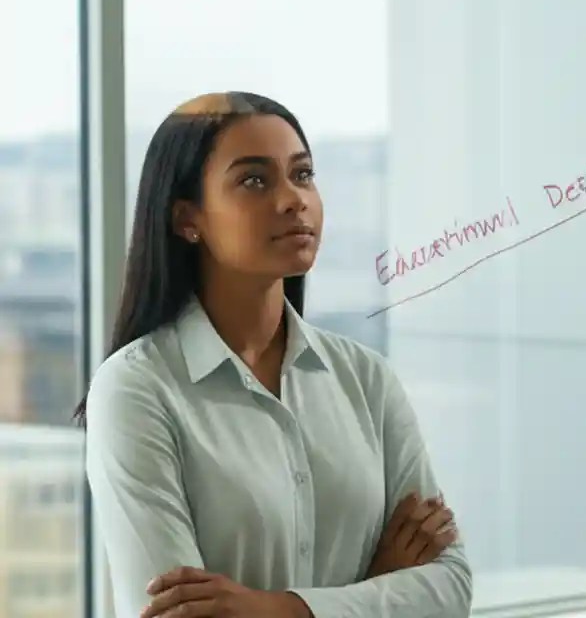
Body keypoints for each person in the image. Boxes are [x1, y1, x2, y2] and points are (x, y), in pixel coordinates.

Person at [71, 91, 472, 617]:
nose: (293, 199)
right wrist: (379, 585)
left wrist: (276, 610)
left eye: (302, 174)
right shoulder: (137, 390)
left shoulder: (366, 380)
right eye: (254, 180)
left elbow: (450, 589)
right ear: (186, 218)